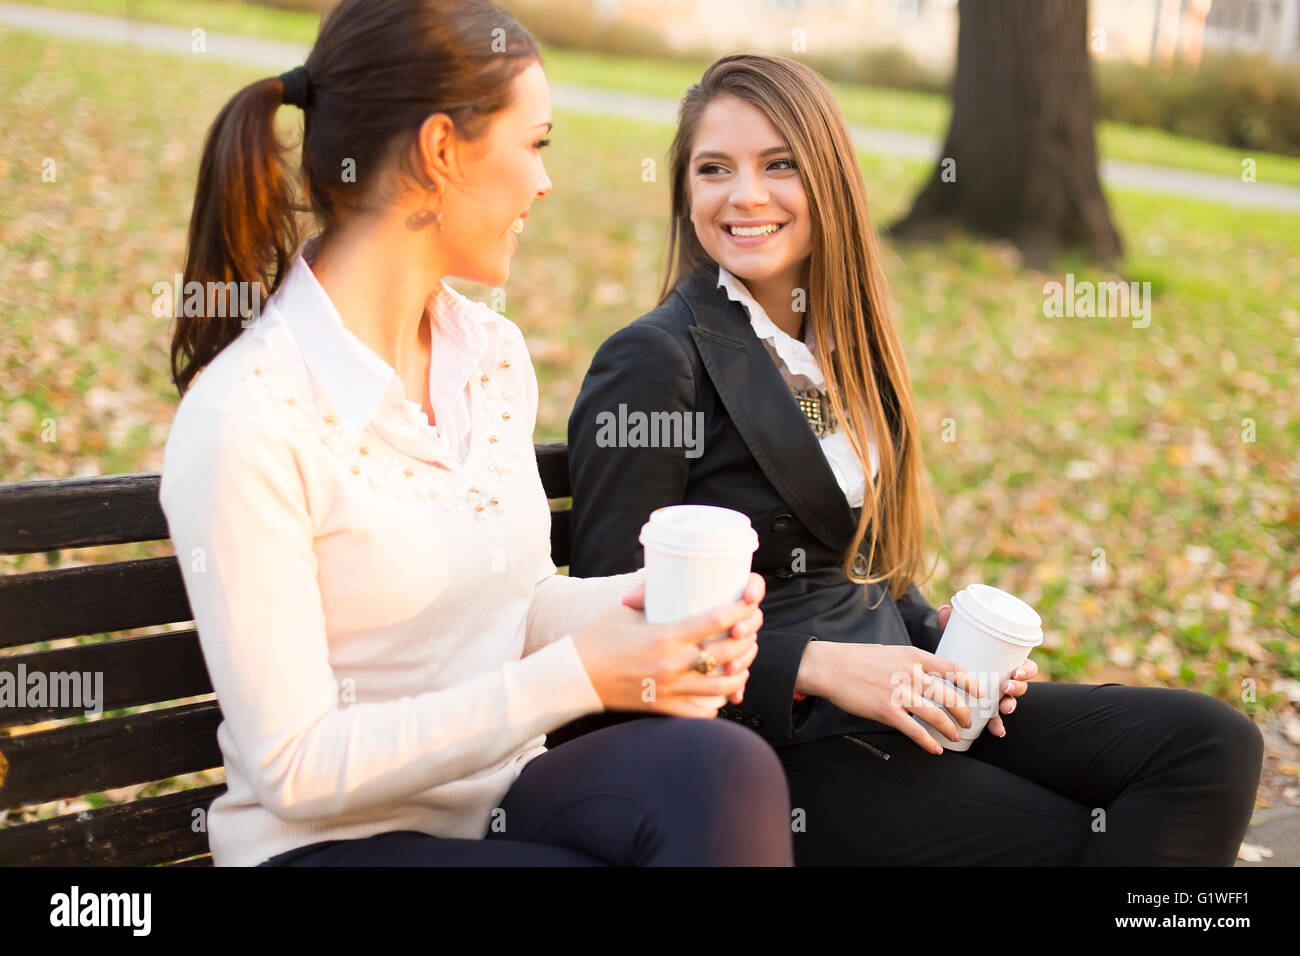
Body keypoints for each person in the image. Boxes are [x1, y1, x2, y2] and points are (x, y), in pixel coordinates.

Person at [566, 53, 1264, 866]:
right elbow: (612, 622)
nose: (745, 195)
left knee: (1209, 744)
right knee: (1078, 839)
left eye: (778, 164)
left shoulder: (836, 346)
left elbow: (855, 557)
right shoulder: (655, 360)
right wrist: (815, 671)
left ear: (829, 180)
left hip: (907, 696)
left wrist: (945, 642)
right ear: (686, 193)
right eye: (714, 168)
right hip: (775, 748)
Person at [159, 0, 793, 867]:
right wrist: (578, 677)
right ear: (441, 151)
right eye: (533, 144)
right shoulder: (250, 415)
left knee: (725, 773)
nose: (544, 181)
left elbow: (516, 601)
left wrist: (657, 610)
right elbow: (293, 767)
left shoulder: (488, 354)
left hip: (497, 805)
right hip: (326, 843)